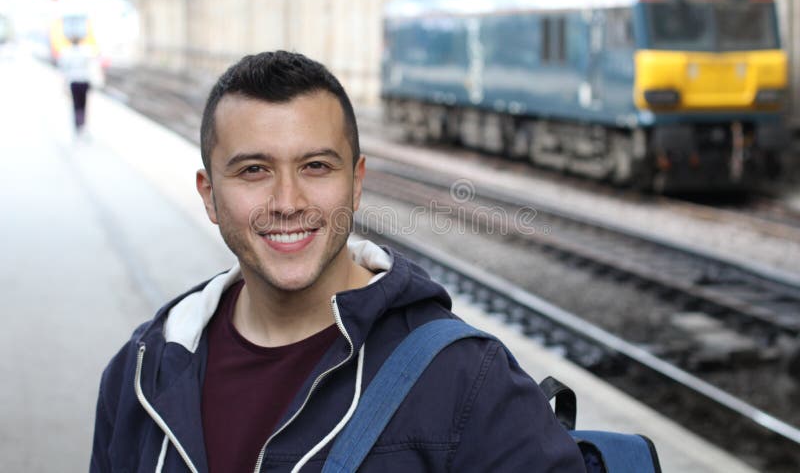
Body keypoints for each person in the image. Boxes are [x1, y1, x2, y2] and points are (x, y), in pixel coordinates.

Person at [90, 51, 585, 472]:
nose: (288, 201)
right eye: (254, 170)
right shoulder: (142, 372)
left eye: (316, 166)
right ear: (209, 195)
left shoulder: (467, 380)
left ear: (356, 183)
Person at [58, 37, 98, 132]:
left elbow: (64, 69)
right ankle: (82, 122)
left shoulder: (67, 52)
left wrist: (64, 84)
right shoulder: (85, 51)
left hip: (74, 81)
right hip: (84, 80)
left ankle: (77, 123)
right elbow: (91, 66)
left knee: (76, 103)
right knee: (83, 103)